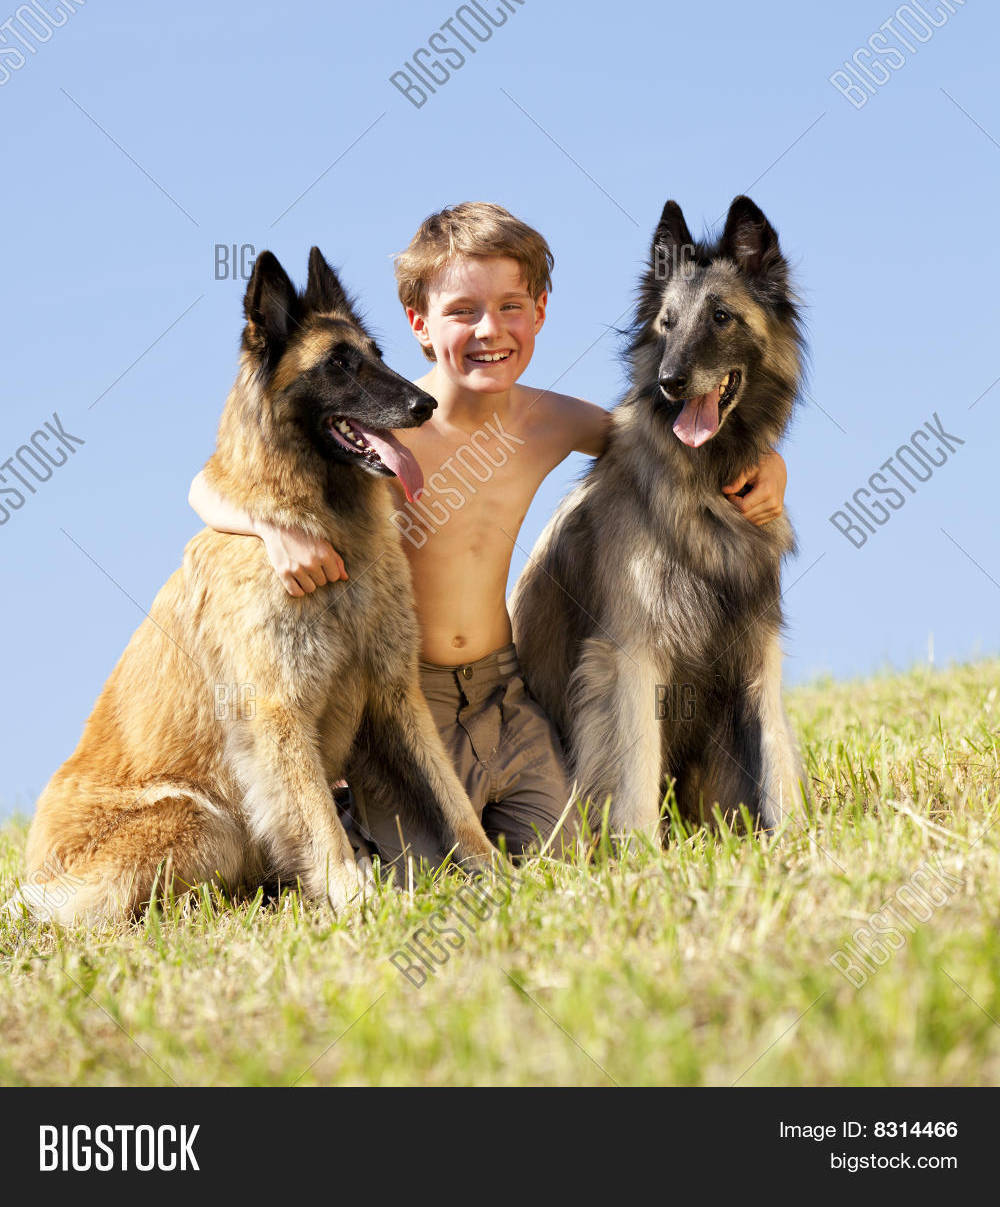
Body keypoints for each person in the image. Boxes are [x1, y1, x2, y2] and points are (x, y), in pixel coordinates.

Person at [189, 202, 787, 869]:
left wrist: (773, 465)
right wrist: (267, 529)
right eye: (463, 311)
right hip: (409, 702)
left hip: (507, 697)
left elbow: (669, 445)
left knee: (566, 861)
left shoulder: (551, 420)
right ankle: (345, 818)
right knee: (427, 874)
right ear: (418, 323)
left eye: (509, 307)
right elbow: (207, 488)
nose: (489, 329)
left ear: (539, 311)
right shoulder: (384, 427)